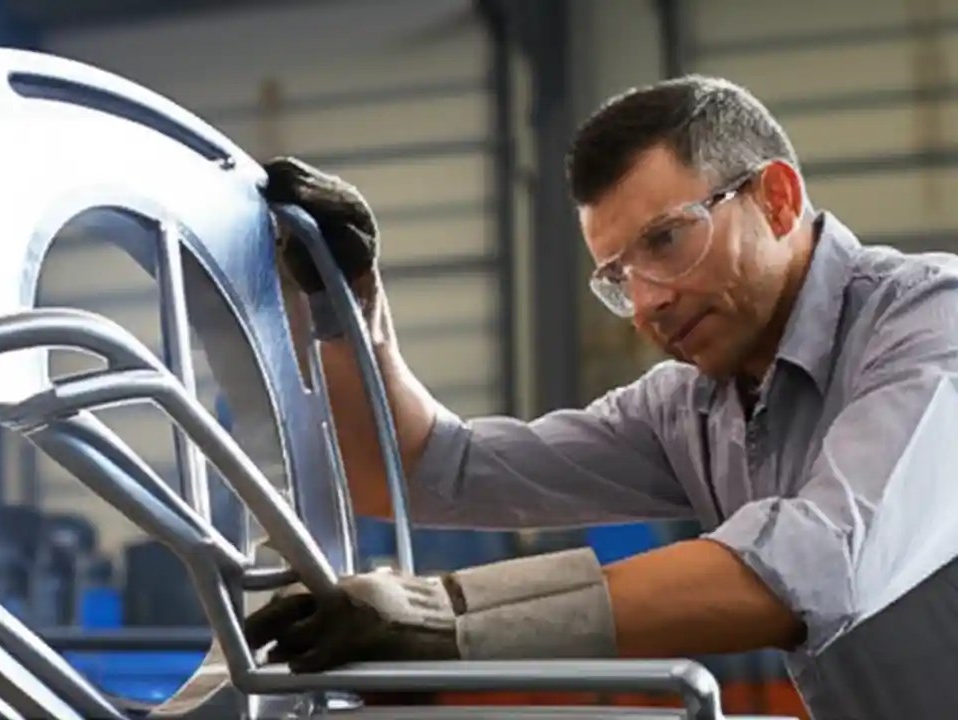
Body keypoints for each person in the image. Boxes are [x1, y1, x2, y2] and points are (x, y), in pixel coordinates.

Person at [246, 74, 958, 719]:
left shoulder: (931, 323)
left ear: (776, 198)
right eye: (619, 277)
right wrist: (345, 308)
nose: (648, 303)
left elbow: (816, 565)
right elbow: (421, 469)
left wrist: (443, 617)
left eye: (668, 240)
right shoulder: (693, 408)